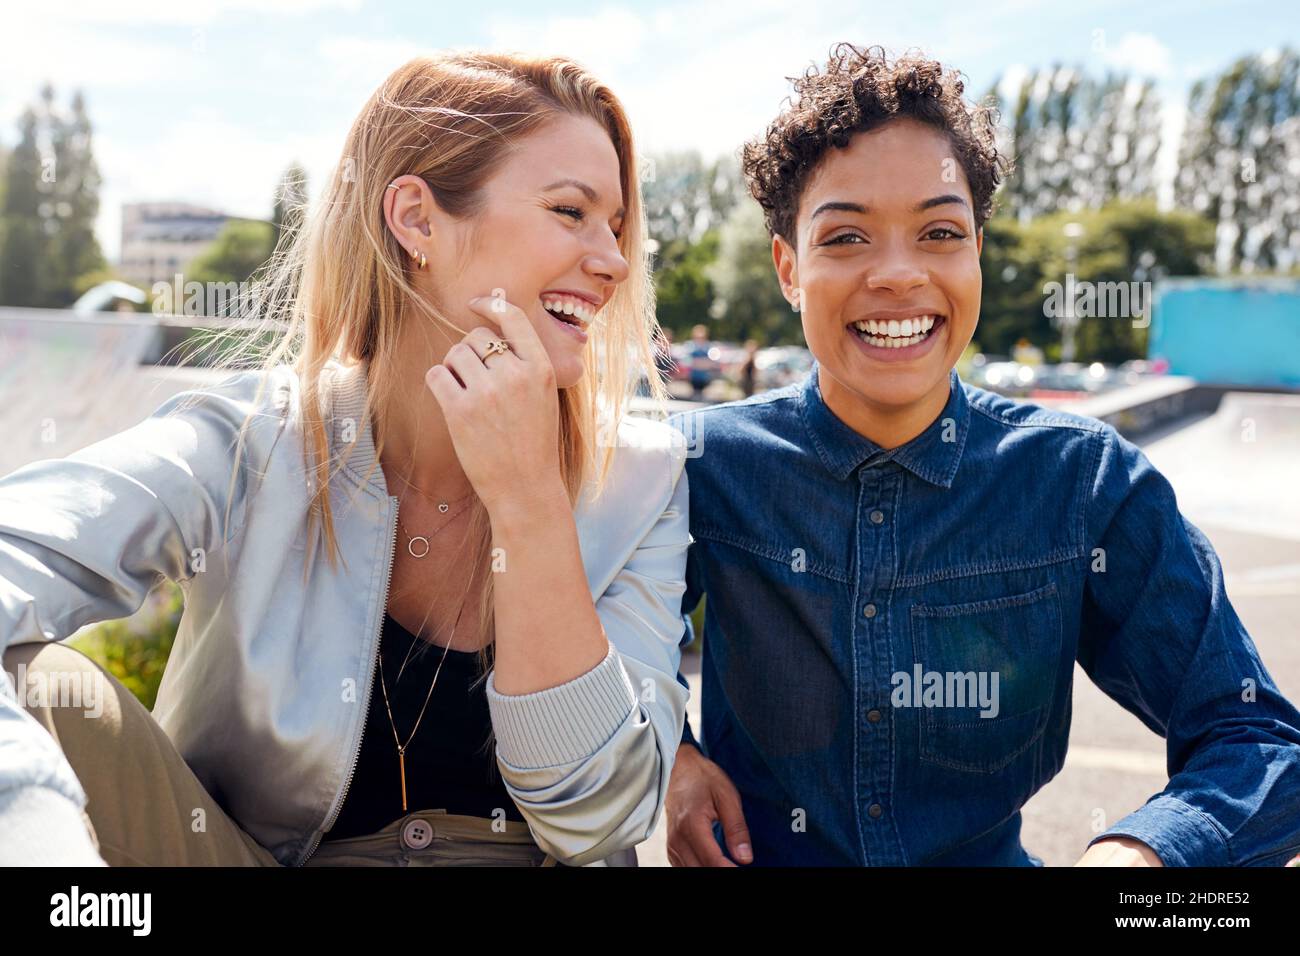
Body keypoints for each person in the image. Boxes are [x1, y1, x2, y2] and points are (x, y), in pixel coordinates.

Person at [0, 50, 690, 868]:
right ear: (417, 219)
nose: (612, 259)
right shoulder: (251, 442)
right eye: (571, 212)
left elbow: (601, 821)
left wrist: (529, 499)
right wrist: (41, 832)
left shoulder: (642, 476)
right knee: (46, 689)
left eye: (615, 226)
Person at [665, 43, 1300, 867]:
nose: (898, 274)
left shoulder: (1082, 483)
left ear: (977, 254)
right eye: (847, 237)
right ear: (789, 267)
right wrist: (668, 756)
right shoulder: (699, 465)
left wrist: (1135, 858)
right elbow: (587, 643)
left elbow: (1257, 738)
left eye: (939, 232)